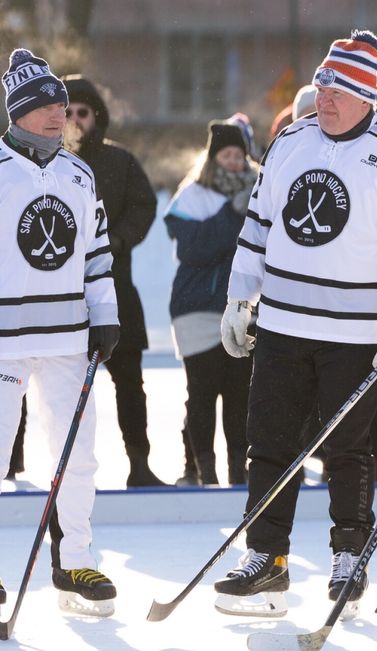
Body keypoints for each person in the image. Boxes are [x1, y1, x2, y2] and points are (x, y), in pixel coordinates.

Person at [213, 30, 377, 619]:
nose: (325, 97)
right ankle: (266, 558)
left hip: (355, 333)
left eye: (337, 89)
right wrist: (240, 300)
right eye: (323, 86)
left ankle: (348, 557)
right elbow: (258, 228)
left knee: (347, 449)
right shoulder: (290, 142)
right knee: (270, 444)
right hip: (283, 326)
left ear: (366, 95)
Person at [0, 48, 119, 616]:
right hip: (4, 341)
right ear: (17, 111)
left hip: (69, 340)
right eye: (44, 104)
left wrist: (107, 314)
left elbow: (96, 255)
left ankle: (75, 559)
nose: (57, 112)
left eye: (61, 104)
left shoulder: (79, 173)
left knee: (77, 456)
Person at [59, 74, 165, 487]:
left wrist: (118, 239)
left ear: (96, 115)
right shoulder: (47, 163)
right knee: (58, 387)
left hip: (117, 287)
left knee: (129, 384)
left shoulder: (119, 161)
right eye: (66, 112)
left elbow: (145, 205)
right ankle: (32, 467)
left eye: (81, 112)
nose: (74, 120)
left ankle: (139, 463)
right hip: (62, 295)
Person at [164, 116, 257, 486]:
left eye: (239, 155)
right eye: (227, 154)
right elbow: (195, 248)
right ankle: (204, 473)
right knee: (201, 395)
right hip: (197, 309)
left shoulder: (259, 193)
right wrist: (232, 213)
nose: (234, 161)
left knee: (239, 397)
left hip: (243, 309)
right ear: (213, 157)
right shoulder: (192, 197)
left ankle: (238, 473)